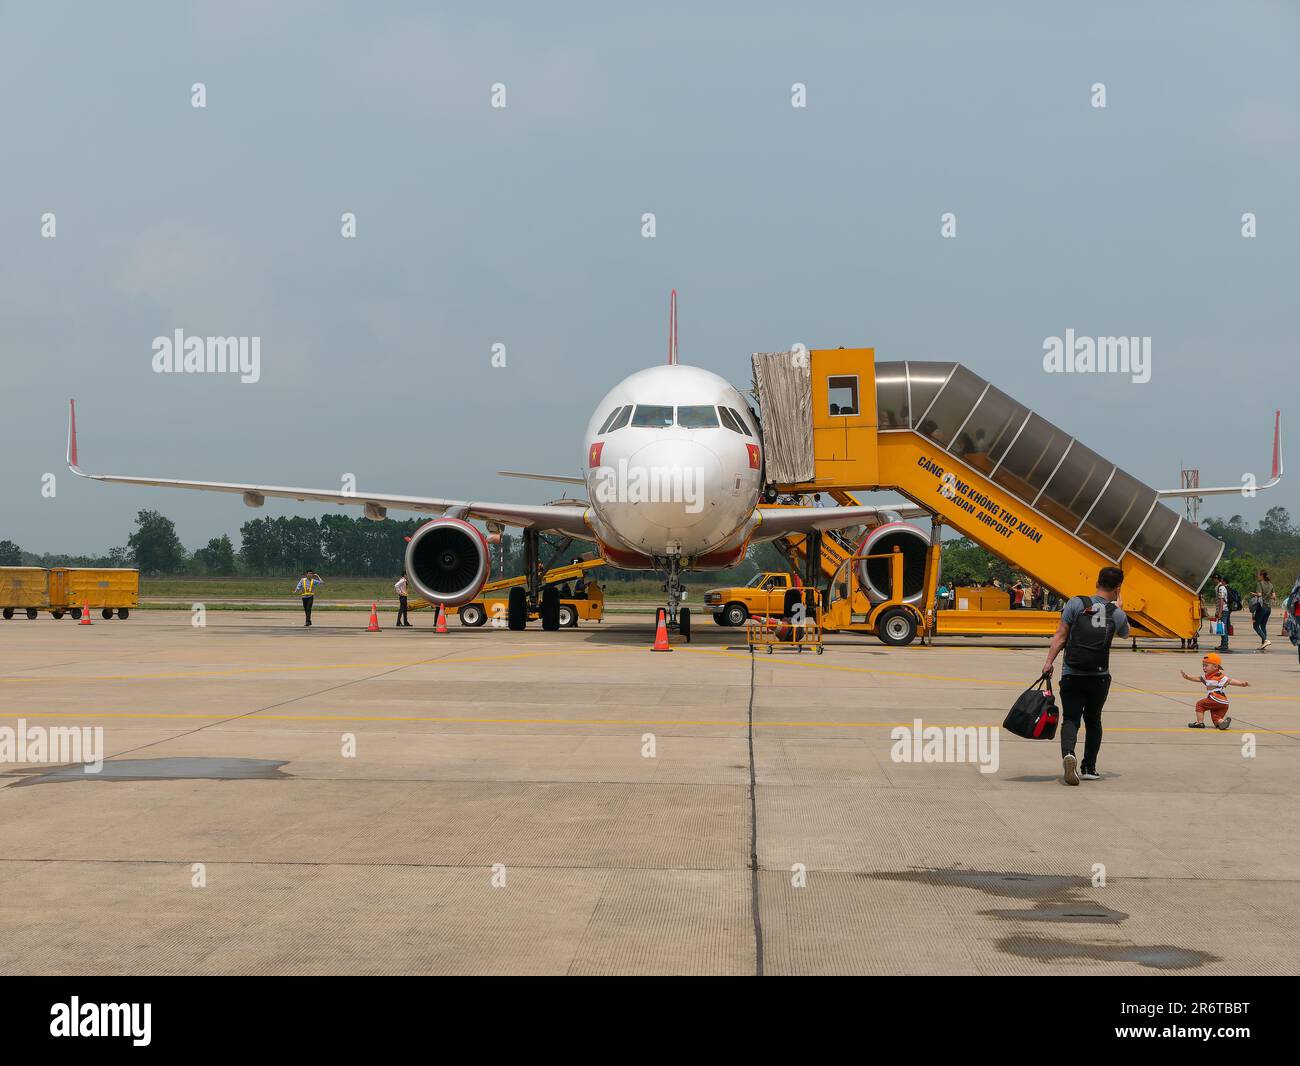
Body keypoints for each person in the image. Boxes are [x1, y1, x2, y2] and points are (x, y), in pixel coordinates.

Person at [1042, 566, 1129, 785]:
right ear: (1118, 588)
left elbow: (1060, 636)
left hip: (1073, 672)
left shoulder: (1076, 603)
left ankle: (1068, 754)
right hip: (1099, 675)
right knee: (1093, 720)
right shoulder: (1117, 613)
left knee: (1071, 718)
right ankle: (1089, 766)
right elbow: (1126, 634)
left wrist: (1048, 662)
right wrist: (1118, 608)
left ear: (1096, 583)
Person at [1180, 653, 1247, 730]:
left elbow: (1230, 681)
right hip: (1223, 703)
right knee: (1216, 717)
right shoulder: (1208, 676)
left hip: (1215, 698)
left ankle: (1199, 722)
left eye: (1206, 666)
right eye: (1203, 666)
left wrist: (1241, 684)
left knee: (1200, 704)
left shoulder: (1219, 676)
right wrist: (1187, 677)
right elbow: (1198, 679)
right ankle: (1222, 722)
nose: (1204, 668)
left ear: (1215, 667)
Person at [1251, 570, 1275, 650]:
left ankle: (1265, 640)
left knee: (1256, 626)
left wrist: (1254, 594)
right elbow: (1274, 596)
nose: (1258, 576)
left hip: (1262, 607)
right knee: (1263, 625)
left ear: (1262, 576)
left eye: (1258, 575)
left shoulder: (1260, 584)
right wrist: (1267, 596)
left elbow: (1260, 594)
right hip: (1269, 608)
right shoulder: (1271, 585)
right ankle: (1263, 644)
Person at [1212, 572, 1231, 653]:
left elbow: (1221, 600)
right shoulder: (1220, 587)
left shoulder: (1221, 588)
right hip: (1223, 610)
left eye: (1213, 579)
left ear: (1216, 579)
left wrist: (1219, 612)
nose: (1212, 580)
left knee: (1223, 628)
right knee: (1222, 628)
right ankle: (1223, 644)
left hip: (1223, 610)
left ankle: (1225, 645)